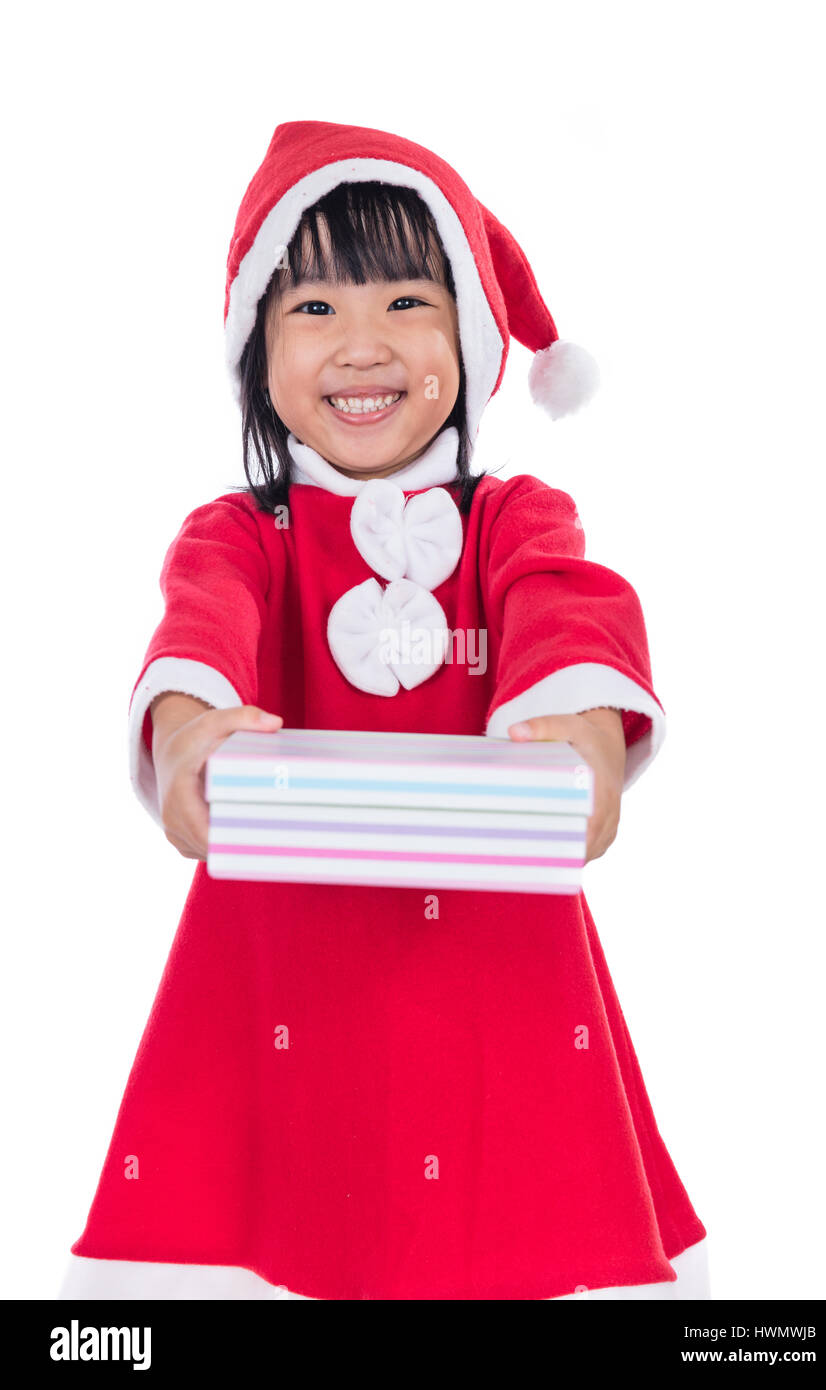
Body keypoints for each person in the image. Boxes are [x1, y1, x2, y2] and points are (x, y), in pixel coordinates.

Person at [59, 120, 708, 1300]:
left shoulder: (514, 516)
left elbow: (566, 605)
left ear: (467, 331)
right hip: (281, 964)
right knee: (280, 1208)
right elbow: (199, 621)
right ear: (256, 348)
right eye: (312, 310)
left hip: (492, 952)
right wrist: (190, 725)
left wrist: (579, 728)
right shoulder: (239, 535)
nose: (362, 345)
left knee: (516, 1219)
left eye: (408, 300)